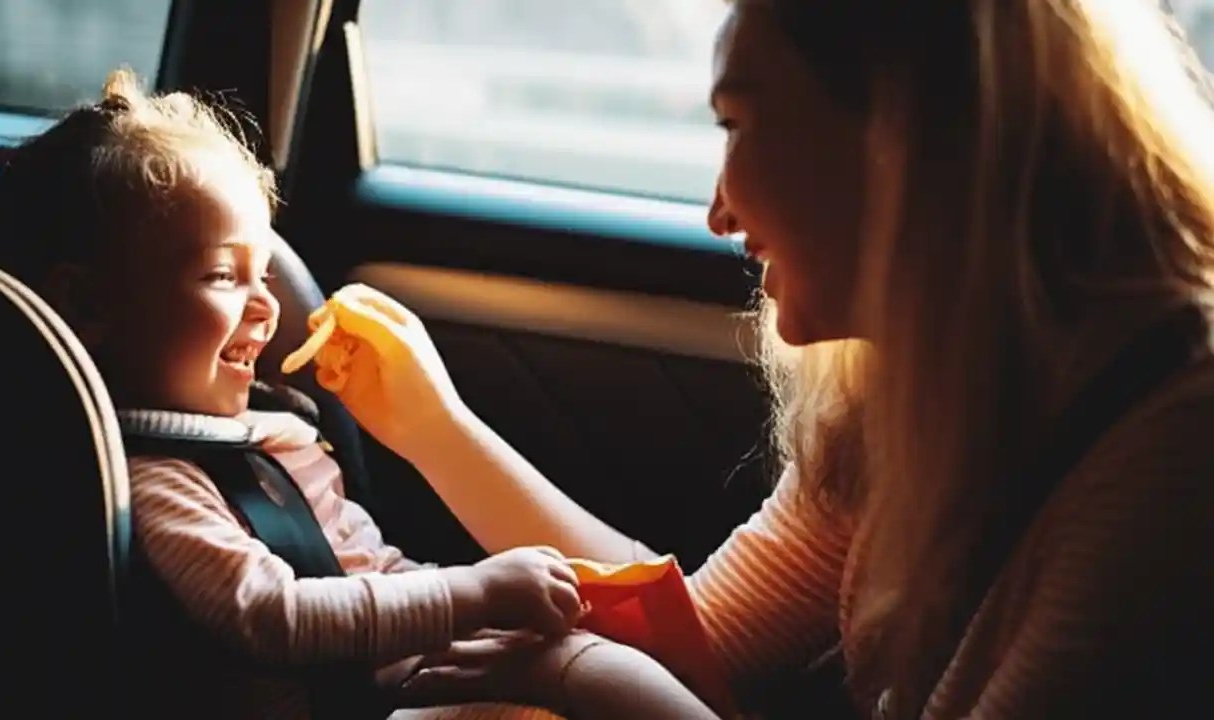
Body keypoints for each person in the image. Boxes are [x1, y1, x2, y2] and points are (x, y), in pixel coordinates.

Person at [296, 2, 1214, 718]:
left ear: (902, 135)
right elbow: (695, 641)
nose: (719, 212)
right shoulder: (908, 394)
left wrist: (582, 674)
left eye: (735, 125)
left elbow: (640, 670)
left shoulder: (1173, 451)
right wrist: (434, 427)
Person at [0, 69, 719, 720]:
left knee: (598, 660)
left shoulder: (265, 430)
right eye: (220, 276)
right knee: (599, 673)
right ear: (90, 306)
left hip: (410, 672)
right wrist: (476, 594)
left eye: (262, 273)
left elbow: (367, 567)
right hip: (370, 700)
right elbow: (273, 615)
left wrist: (472, 609)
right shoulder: (154, 483)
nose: (266, 307)